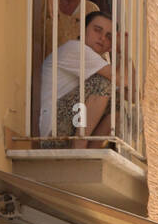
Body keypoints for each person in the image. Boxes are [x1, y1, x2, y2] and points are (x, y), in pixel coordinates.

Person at [39, 10, 115, 148]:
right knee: (103, 83)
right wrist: (124, 49)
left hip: (69, 128)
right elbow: (119, 78)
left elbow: (133, 94)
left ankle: (91, 153)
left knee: (119, 101)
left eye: (109, 36)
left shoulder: (98, 63)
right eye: (97, 30)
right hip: (52, 132)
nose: (102, 38)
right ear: (83, 29)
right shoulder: (76, 48)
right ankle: (80, 147)